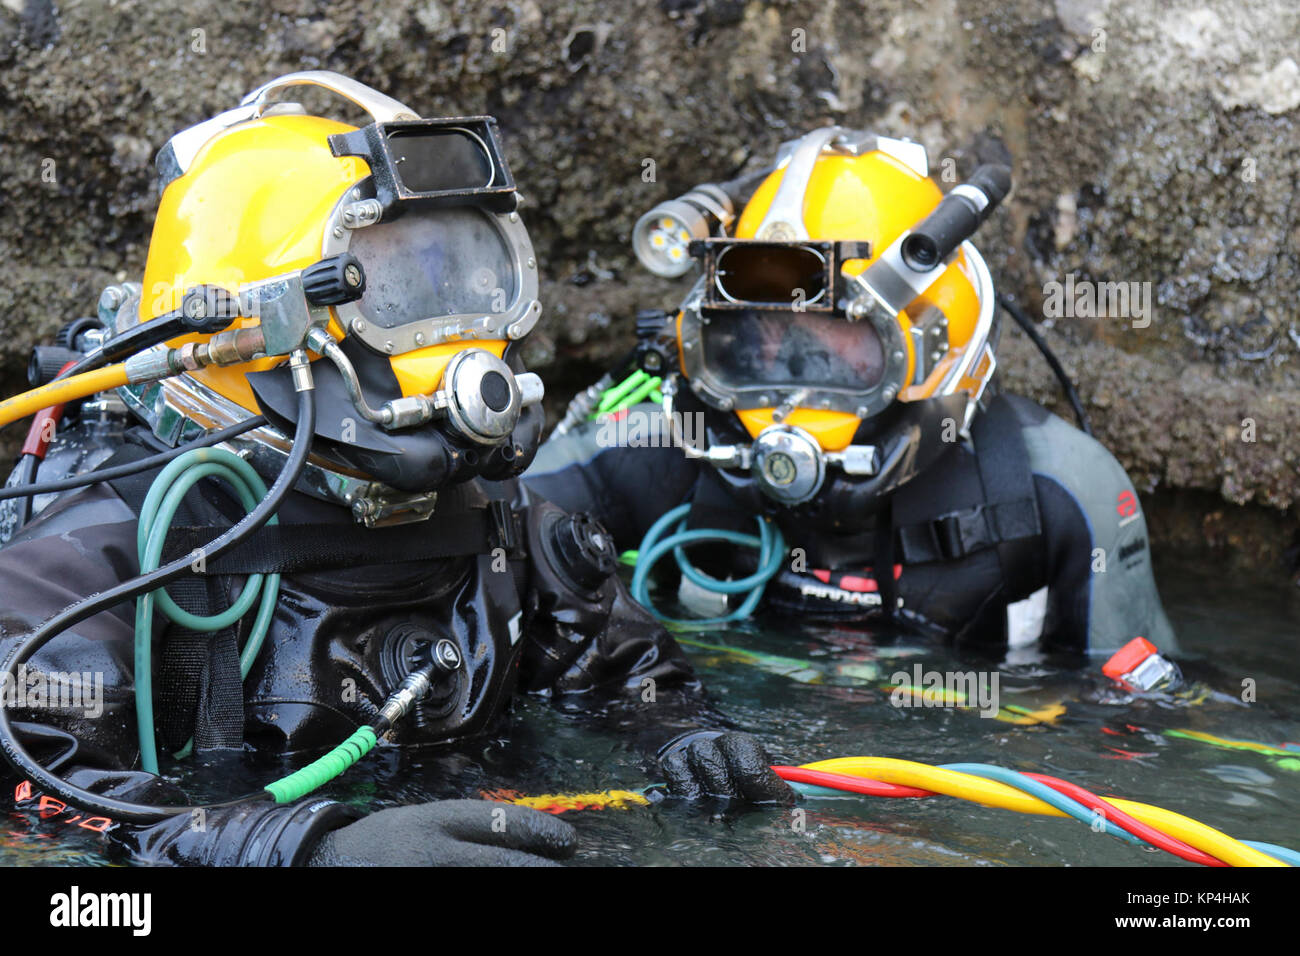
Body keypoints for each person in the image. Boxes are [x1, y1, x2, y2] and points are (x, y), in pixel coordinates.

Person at [0, 72, 787, 867]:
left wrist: (683, 736)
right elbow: (43, 792)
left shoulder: (499, 518)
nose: (455, 336)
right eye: (393, 285)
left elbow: (627, 675)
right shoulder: (97, 553)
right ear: (255, 322)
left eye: (466, 273)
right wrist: (308, 853)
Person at [527, 126, 1176, 657]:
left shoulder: (1059, 489)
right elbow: (490, 536)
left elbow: (1139, 730)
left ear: (929, 351)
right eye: (755, 341)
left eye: (836, 342)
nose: (785, 388)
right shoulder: (665, 449)